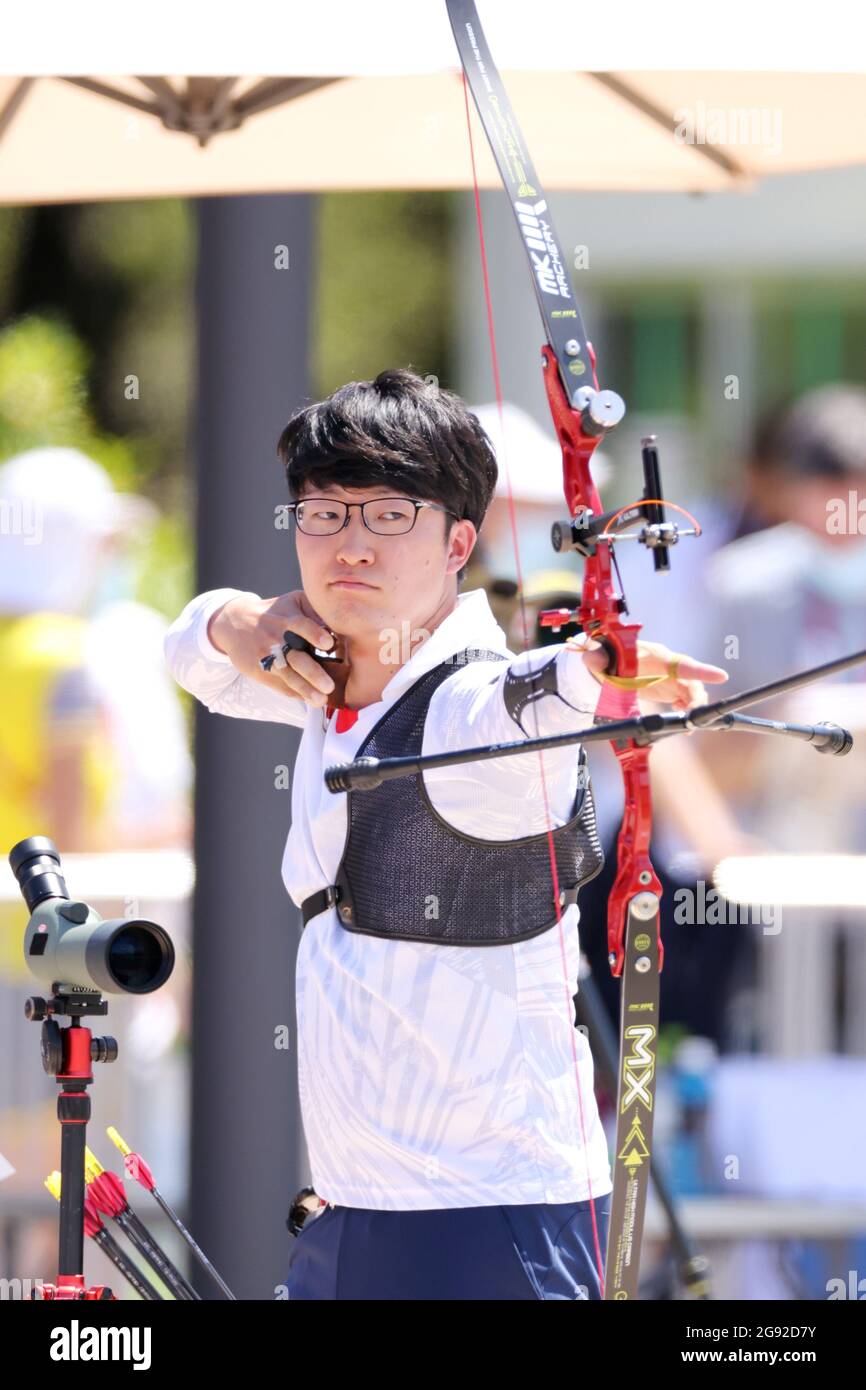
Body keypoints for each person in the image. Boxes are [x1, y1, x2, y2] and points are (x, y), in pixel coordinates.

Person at [163, 368, 726, 1300]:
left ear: (460, 540)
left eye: (388, 516)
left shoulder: (472, 700)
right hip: (350, 1207)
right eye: (322, 513)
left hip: (493, 1221)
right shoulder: (322, 676)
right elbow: (187, 645)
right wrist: (244, 619)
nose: (349, 544)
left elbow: (536, 694)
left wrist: (605, 670)